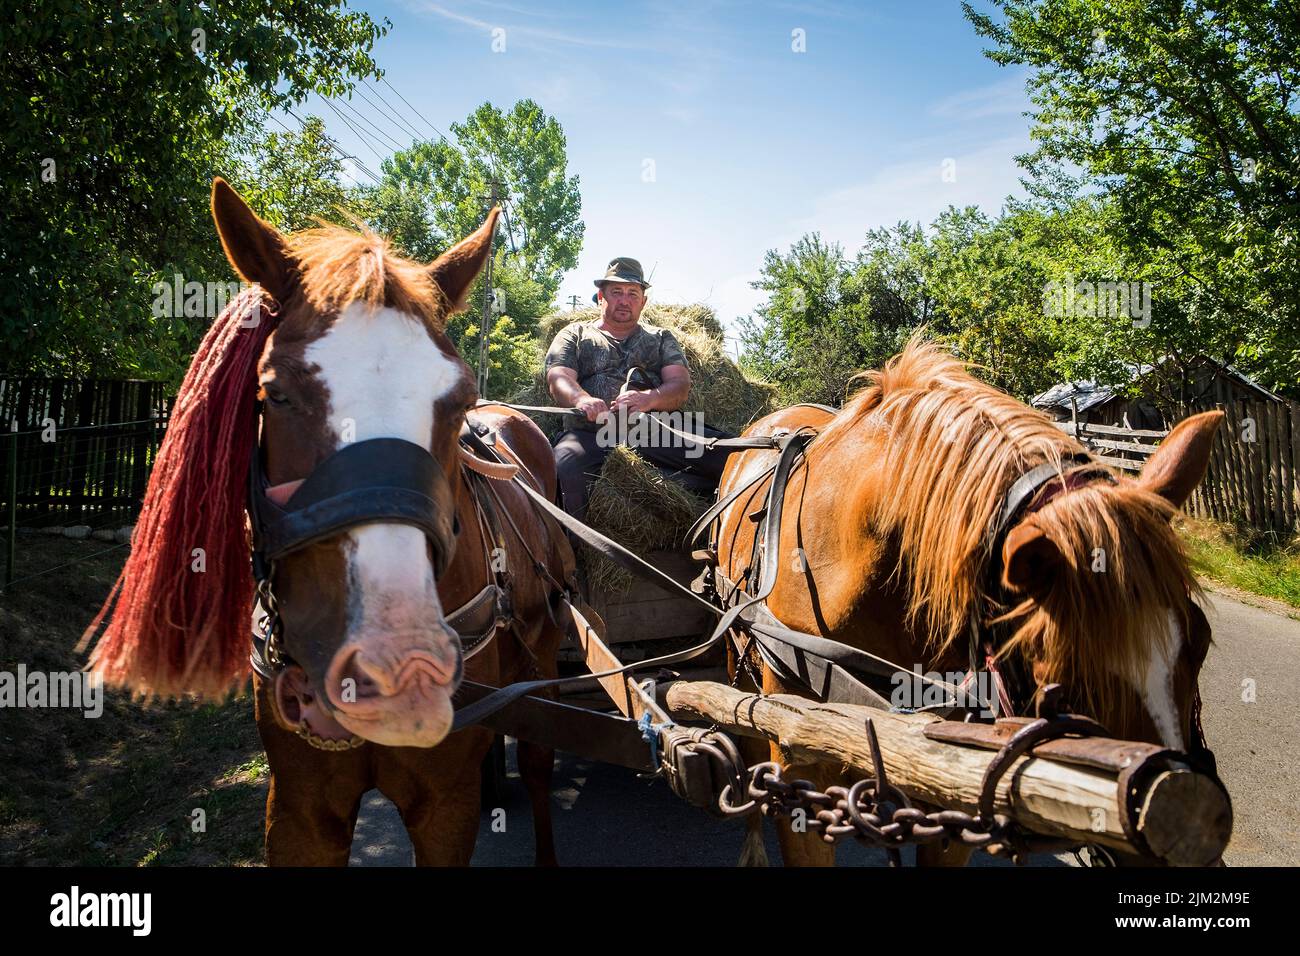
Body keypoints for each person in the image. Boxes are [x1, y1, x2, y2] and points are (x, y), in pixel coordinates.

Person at [544, 257, 731, 524]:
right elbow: (558, 377)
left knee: (730, 454)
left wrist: (649, 399)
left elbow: (680, 386)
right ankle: (572, 554)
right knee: (563, 465)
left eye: (633, 293)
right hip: (590, 433)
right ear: (601, 297)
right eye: (616, 292)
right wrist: (581, 399)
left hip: (653, 430)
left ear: (643, 301)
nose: (624, 299)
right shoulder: (574, 334)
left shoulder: (661, 337)